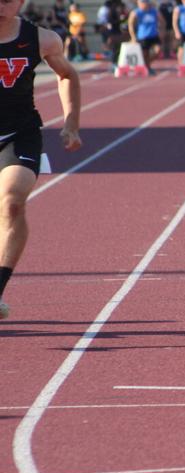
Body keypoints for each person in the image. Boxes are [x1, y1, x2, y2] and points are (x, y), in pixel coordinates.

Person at [0, 0, 81, 321]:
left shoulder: (42, 39)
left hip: (19, 133)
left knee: (12, 202)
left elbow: (67, 75)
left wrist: (71, 122)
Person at [126, 0, 161, 71]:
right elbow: (130, 24)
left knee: (158, 51)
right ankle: (147, 67)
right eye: (142, 3)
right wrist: (133, 36)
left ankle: (146, 64)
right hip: (143, 36)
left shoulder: (154, 11)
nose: (144, 5)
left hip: (154, 35)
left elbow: (162, 21)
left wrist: (161, 31)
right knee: (145, 54)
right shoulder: (136, 12)